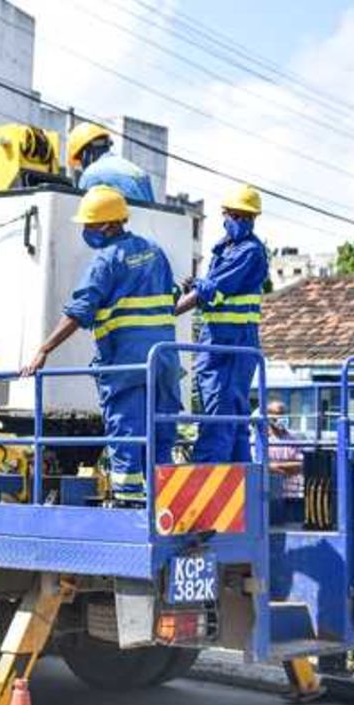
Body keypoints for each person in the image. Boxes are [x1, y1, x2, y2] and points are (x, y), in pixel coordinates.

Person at [22, 186, 181, 505]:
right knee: (160, 432)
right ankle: (164, 501)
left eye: (89, 224)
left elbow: (79, 312)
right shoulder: (154, 251)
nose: (85, 231)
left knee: (127, 431)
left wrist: (44, 349)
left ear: (108, 225)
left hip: (126, 364)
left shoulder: (106, 261)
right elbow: (172, 297)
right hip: (164, 361)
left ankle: (130, 500)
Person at [176, 184, 268, 463]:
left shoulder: (249, 251)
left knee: (220, 414)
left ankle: (206, 472)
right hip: (219, 340)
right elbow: (211, 291)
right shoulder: (224, 249)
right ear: (225, 215)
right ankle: (242, 477)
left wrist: (172, 310)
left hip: (232, 343)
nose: (240, 221)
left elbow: (215, 289)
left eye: (246, 217)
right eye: (235, 215)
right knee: (234, 417)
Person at [67, 121, 156, 203]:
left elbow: (87, 213)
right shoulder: (140, 173)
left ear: (85, 153)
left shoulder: (90, 176)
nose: (81, 166)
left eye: (79, 159)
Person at [267, 400, 303, 498]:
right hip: (268, 494)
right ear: (269, 417)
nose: (282, 418)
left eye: (284, 414)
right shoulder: (260, 440)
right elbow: (260, 467)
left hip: (292, 494)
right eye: (278, 414)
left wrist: (275, 466)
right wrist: (287, 468)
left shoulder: (292, 439)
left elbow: (299, 465)